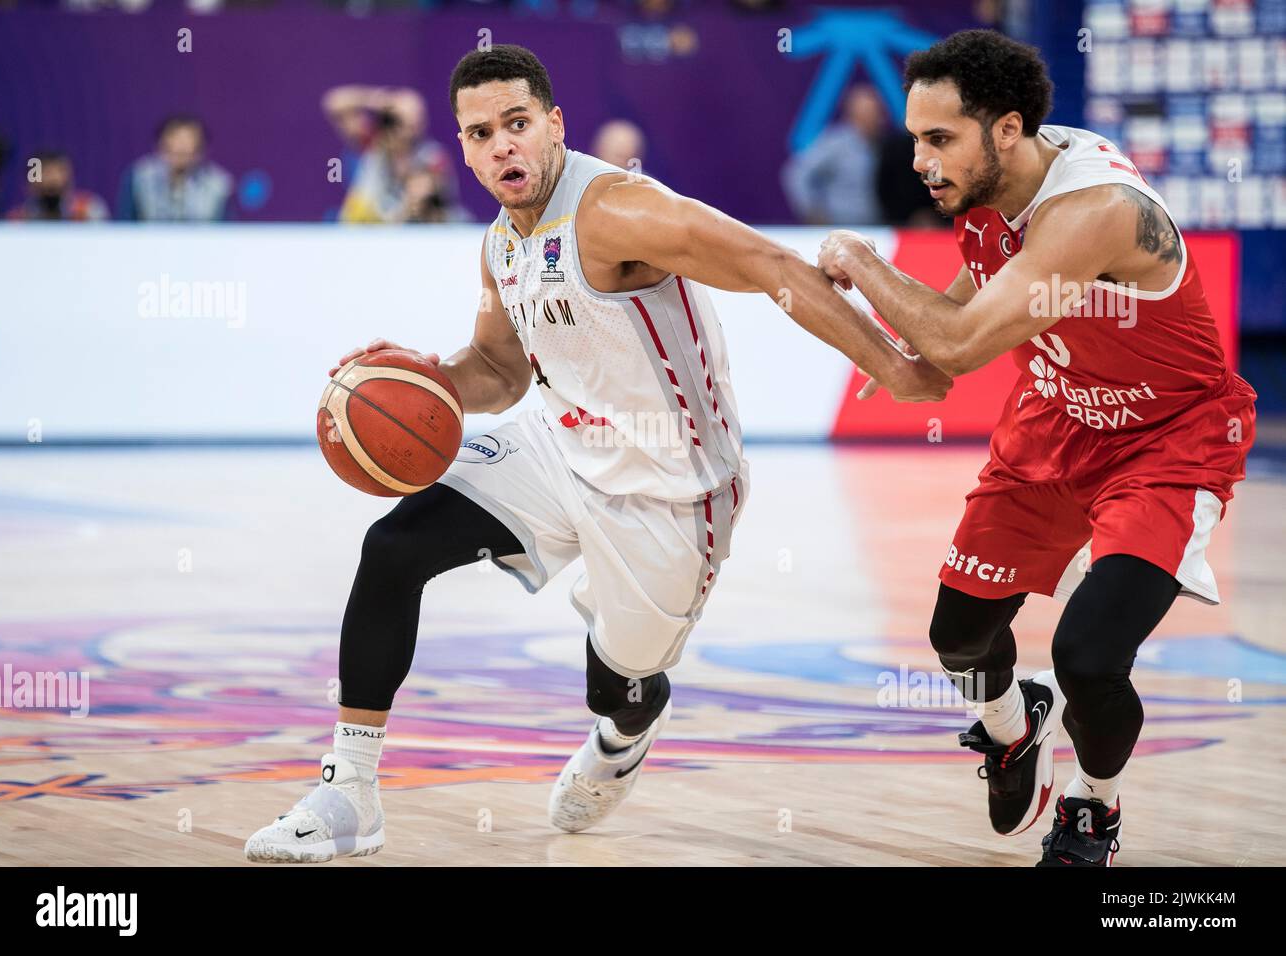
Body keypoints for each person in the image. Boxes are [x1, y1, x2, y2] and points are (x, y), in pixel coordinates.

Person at [245, 43, 950, 863]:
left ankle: (622, 737)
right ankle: (349, 795)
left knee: (616, 689)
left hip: (672, 486)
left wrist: (892, 366)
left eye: (517, 124)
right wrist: (416, 379)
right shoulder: (501, 245)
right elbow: (500, 374)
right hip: (559, 444)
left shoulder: (617, 211)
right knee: (394, 547)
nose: (502, 145)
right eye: (481, 133)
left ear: (554, 125)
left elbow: (770, 265)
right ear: (464, 149)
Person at [817, 30, 1257, 867]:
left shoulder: (1093, 212)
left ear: (1007, 129)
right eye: (915, 137)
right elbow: (981, 283)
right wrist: (911, 341)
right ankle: (1013, 730)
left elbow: (961, 345)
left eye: (938, 138)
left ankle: (1095, 807)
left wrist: (863, 264)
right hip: (1056, 417)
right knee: (958, 636)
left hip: (1166, 438)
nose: (919, 159)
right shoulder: (994, 176)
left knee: (1089, 657)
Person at [325, 85, 467, 223]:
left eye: (416, 118)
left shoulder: (432, 156)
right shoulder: (373, 147)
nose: (409, 126)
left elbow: (446, 201)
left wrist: (429, 187)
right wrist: (379, 100)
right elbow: (334, 102)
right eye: (398, 120)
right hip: (377, 230)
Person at [782, 84, 885, 225]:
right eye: (866, 112)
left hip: (879, 228)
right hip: (840, 227)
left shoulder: (885, 145)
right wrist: (812, 211)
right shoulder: (835, 143)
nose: (873, 118)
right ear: (852, 114)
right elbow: (797, 173)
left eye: (875, 112)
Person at [117, 115, 233, 222]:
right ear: (160, 146)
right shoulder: (140, 176)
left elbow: (225, 231)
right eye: (173, 147)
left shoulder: (218, 183)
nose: (181, 146)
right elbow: (124, 224)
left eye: (187, 146)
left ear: (200, 150)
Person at [6, 150, 108, 222]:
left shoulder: (88, 211)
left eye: (58, 173)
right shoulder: (18, 220)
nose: (52, 180)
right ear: (29, 184)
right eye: (45, 173)